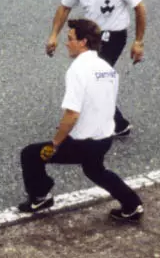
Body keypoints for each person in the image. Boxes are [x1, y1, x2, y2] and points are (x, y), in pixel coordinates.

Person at [18, 19, 144, 224]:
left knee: (31, 155)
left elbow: (72, 115)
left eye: (70, 39)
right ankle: (132, 204)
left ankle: (40, 197)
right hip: (104, 138)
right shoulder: (107, 68)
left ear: (83, 42)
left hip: (83, 143)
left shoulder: (77, 70)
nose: (66, 43)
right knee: (95, 170)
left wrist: (56, 143)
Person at [46, 0, 146, 137]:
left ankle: (113, 124)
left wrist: (138, 42)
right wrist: (53, 35)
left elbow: (139, 8)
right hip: (91, 35)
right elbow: (64, 7)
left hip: (113, 35)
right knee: (88, 78)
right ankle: (113, 123)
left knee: (91, 77)